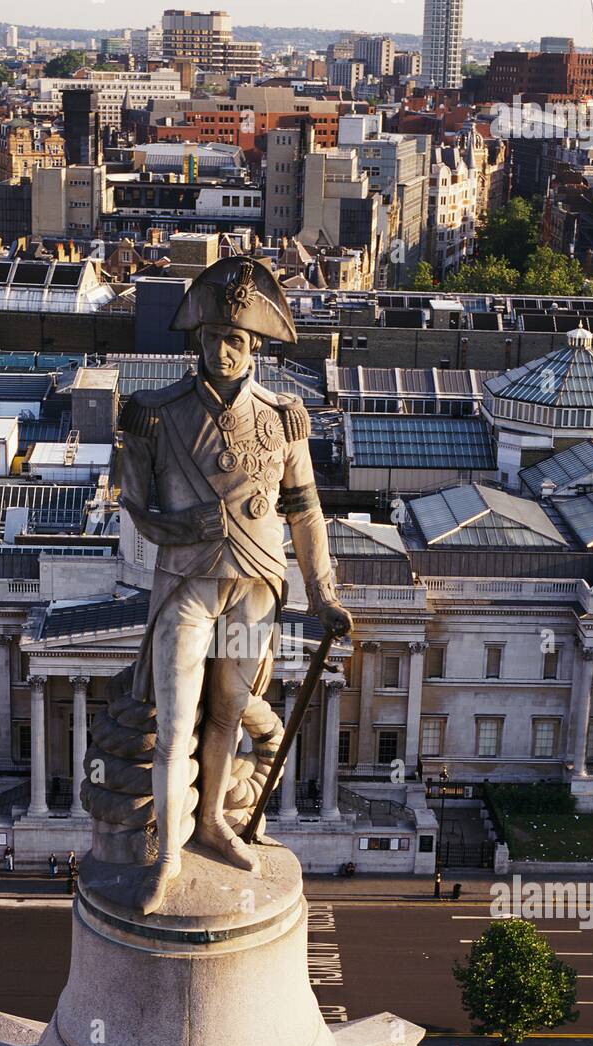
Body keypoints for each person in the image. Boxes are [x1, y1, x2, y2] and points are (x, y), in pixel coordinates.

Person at [110, 255, 352, 914]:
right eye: (214, 338)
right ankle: (166, 853)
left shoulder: (284, 417)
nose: (223, 350)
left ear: (255, 348)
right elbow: (134, 508)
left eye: (236, 340)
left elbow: (305, 513)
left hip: (255, 587)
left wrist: (323, 592)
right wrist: (184, 522)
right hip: (188, 584)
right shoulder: (153, 414)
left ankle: (212, 821)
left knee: (225, 715)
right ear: (199, 341)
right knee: (175, 721)